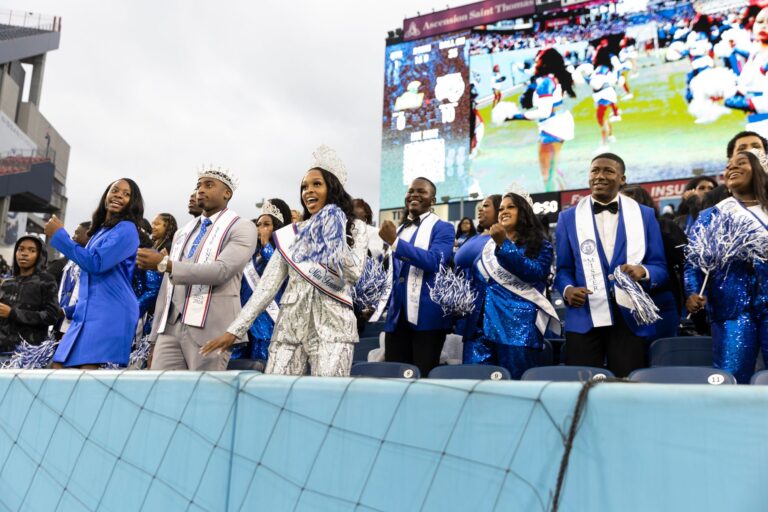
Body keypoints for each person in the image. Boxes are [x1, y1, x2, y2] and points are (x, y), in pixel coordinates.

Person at [201, 146, 368, 377]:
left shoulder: (355, 228)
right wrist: (235, 330)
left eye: (316, 184)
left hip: (334, 329)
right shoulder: (291, 234)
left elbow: (354, 273)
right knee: (276, 391)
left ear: (333, 188)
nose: (308, 191)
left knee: (327, 395)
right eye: (304, 187)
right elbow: (266, 287)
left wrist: (334, 235)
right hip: (289, 328)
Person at [555, 153, 668, 377]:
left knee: (627, 386)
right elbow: (563, 269)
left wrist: (643, 271)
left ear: (622, 179)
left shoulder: (644, 215)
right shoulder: (568, 218)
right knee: (581, 386)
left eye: (608, 171)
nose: (600, 176)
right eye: (595, 170)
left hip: (630, 316)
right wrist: (568, 290)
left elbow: (660, 267)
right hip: (585, 316)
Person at [141, 167, 258, 371]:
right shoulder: (182, 232)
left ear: (227, 193)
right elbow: (167, 286)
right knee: (162, 388)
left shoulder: (242, 227)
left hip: (211, 329)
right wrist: (154, 338)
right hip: (170, 329)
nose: (200, 190)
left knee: (205, 390)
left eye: (209, 185)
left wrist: (166, 264)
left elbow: (221, 271)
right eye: (198, 186)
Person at [685, 149, 768, 383]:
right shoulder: (712, 214)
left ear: (761, 170)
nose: (732, 167)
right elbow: (694, 261)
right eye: (729, 165)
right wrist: (692, 291)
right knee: (731, 377)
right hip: (731, 308)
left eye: (741, 162)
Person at [44, 178, 144, 368]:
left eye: (126, 194)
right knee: (58, 368)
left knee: (86, 374)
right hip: (88, 313)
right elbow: (93, 283)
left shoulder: (127, 229)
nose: (119, 196)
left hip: (111, 313)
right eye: (115, 190)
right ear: (106, 195)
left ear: (133, 203)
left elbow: (96, 263)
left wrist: (60, 236)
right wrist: (69, 310)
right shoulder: (101, 231)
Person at [466, 190, 558, 378]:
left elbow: (534, 273)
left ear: (523, 212)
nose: (504, 212)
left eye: (511, 207)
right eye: (501, 209)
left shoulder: (541, 245)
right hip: (479, 330)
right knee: (476, 386)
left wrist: (504, 245)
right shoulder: (488, 246)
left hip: (516, 329)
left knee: (515, 388)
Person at [378, 177, 455, 376]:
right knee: (395, 378)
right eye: (411, 190)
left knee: (423, 378)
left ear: (433, 200)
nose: (414, 194)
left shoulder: (444, 227)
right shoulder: (400, 229)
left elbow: (435, 261)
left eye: (421, 191)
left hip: (427, 319)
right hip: (397, 318)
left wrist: (395, 242)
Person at [503, 48, 576, 192]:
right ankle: (566, 197)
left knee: (547, 175)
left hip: (551, 128)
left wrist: (515, 116)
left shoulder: (546, 83)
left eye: (539, 59)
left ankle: (555, 202)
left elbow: (544, 112)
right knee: (553, 169)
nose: (536, 62)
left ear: (545, 63)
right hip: (558, 124)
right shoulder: (553, 78)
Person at [230, 198, 292, 361]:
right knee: (236, 365)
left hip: (267, 321)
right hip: (244, 319)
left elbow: (279, 268)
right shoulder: (252, 253)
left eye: (266, 225)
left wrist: (266, 244)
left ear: (276, 227)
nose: (260, 229)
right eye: (258, 225)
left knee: (261, 365)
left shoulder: (283, 252)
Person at [622, 185, 686, 339]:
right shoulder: (612, 233)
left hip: (660, 298)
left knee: (662, 349)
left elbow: (684, 258)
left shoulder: (664, 226)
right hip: (625, 303)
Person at [455, 194, 501, 363]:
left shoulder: (501, 240)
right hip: (470, 312)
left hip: (490, 315)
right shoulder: (475, 237)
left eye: (486, 206)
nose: (481, 209)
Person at [0, 234, 59, 353]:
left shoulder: (47, 281)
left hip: (27, 354)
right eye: (20, 249)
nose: (24, 254)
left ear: (40, 255)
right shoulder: (7, 282)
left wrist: (12, 313)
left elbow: (51, 316)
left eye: (32, 250)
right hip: (2, 349)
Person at [725, 7, 768, 137]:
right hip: (755, 124)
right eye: (759, 22)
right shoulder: (756, 52)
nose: (764, 26)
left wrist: (746, 103)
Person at [55, 221, 91, 337]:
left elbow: (92, 299)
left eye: (77, 233)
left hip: (78, 326)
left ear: (89, 235)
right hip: (59, 323)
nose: (73, 237)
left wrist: (66, 311)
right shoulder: (70, 261)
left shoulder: (92, 265)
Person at [589, 44, 622, 152]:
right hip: (603, 95)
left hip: (604, 95)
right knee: (603, 118)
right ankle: (610, 136)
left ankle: (604, 144)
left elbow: (597, 84)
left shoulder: (602, 69)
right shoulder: (602, 68)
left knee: (601, 117)